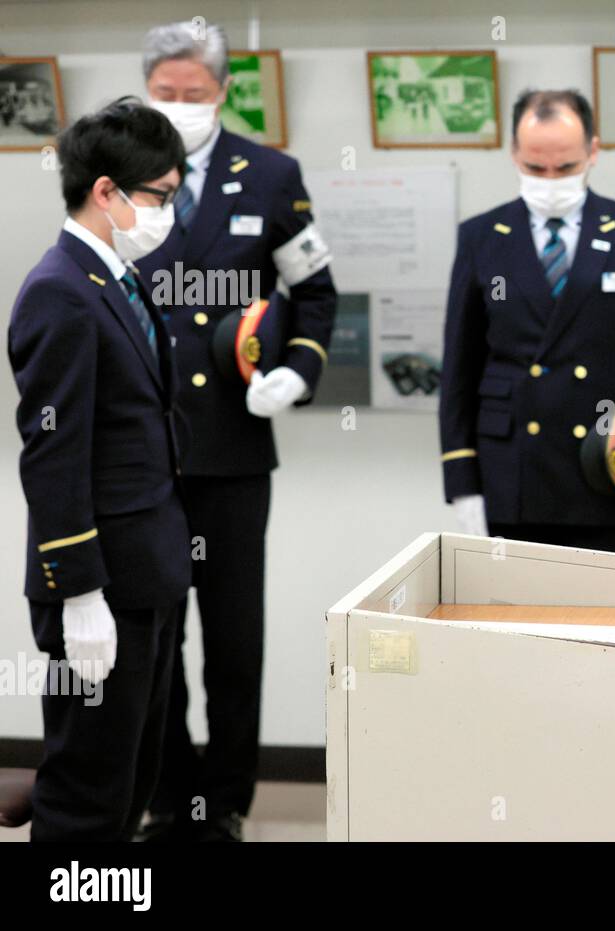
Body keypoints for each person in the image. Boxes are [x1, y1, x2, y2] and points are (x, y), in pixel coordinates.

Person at [133, 21, 337, 842]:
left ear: (224, 91)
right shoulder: (118, 165)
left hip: (233, 443)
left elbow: (315, 291)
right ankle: (166, 796)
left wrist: (300, 368)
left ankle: (223, 804)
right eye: (166, 94)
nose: (180, 107)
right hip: (142, 446)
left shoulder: (271, 176)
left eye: (195, 95)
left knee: (231, 635)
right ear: (146, 87)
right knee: (152, 631)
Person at [8, 97, 190, 841]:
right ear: (107, 191)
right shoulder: (60, 289)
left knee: (130, 782)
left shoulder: (117, 277)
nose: (169, 213)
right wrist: (78, 589)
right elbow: (52, 452)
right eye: (161, 197)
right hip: (99, 583)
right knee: (87, 791)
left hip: (146, 572)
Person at [439, 89, 615, 555]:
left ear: (593, 151)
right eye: (535, 168)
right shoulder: (480, 238)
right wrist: (461, 477)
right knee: (510, 621)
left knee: (602, 621)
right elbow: (459, 367)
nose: (550, 180)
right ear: (514, 153)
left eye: (566, 167)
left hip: (602, 461)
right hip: (510, 468)